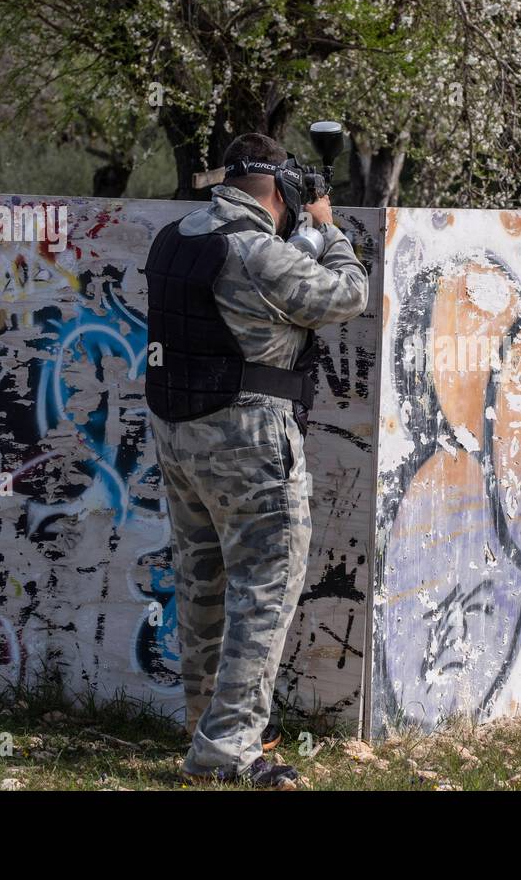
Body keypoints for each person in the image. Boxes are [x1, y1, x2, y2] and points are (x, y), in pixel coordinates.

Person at [142, 132, 369, 788]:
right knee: (265, 589)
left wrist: (296, 235)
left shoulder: (175, 237)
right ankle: (228, 750)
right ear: (278, 193)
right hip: (249, 440)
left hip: (178, 436)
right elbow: (344, 295)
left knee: (202, 582)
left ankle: (203, 722)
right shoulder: (259, 255)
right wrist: (329, 231)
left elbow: (253, 277)